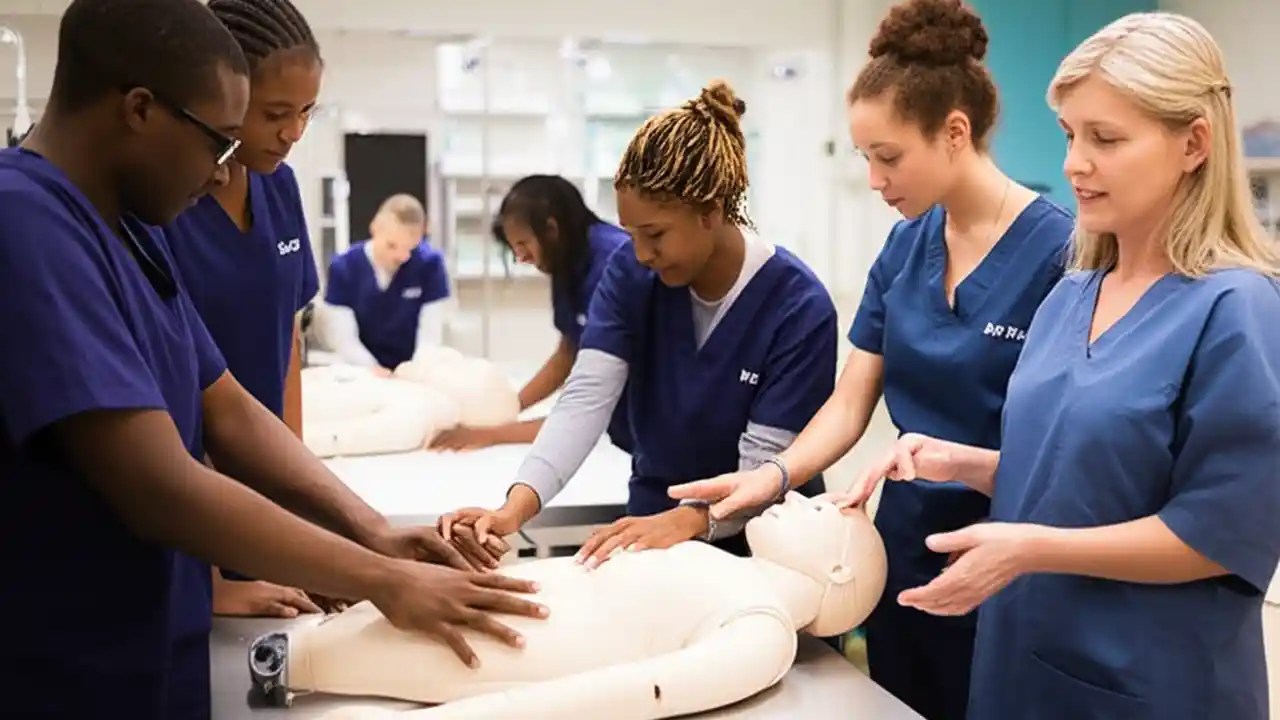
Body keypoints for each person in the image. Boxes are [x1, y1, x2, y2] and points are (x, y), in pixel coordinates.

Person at [0, 1, 544, 717]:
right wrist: (382, 579)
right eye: (220, 141)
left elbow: (222, 403)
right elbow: (157, 484)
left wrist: (370, 528)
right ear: (138, 110)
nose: (228, 168)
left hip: (161, 645)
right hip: (64, 670)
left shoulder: (132, 225)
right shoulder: (25, 224)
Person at [853, 12, 1280, 720]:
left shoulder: (1237, 308)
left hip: (1147, 681)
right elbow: (1081, 479)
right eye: (1070, 136)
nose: (1074, 164)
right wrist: (964, 464)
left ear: (1194, 144)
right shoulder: (1071, 294)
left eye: (1105, 139)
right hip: (1020, 661)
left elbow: (1221, 533)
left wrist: (1028, 550)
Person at [665, 1, 1074, 717]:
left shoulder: (1060, 255)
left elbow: (1069, 442)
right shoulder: (905, 247)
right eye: (866, 159)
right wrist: (773, 476)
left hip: (1009, 555)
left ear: (954, 133)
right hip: (896, 552)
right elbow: (852, 400)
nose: (876, 179)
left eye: (889, 157)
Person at [439, 80, 834, 567]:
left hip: (766, 543)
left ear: (710, 212)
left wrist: (689, 521)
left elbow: (763, 469)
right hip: (653, 522)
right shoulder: (630, 273)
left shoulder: (797, 308)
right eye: (631, 234)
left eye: (656, 235)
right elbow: (586, 398)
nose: (642, 253)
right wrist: (514, 508)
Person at [250, 493, 887, 720]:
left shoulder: (763, 631)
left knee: (313, 654)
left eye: (821, 511)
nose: (803, 500)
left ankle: (291, 661)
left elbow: (623, 696)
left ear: (838, 570)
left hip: (488, 645)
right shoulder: (728, 567)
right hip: (472, 609)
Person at [160, 0, 326, 620]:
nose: (293, 133)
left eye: (306, 112)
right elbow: (177, 386)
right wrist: (214, 582)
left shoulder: (278, 184)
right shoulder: (169, 197)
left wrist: (302, 498)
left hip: (264, 481)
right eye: (275, 114)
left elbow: (287, 336)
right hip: (186, 499)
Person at [431, 175, 632, 453]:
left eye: (524, 245)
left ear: (551, 229)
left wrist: (493, 434)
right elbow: (568, 353)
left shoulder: (615, 263)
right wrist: (508, 408)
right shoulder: (568, 261)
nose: (521, 258)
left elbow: (589, 403)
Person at [321, 193, 451, 373]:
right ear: (374, 229)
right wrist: (375, 370)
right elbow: (344, 339)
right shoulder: (343, 269)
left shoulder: (430, 265)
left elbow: (430, 336)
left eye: (410, 248)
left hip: (412, 371)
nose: (402, 256)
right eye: (392, 246)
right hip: (362, 370)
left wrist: (415, 371)